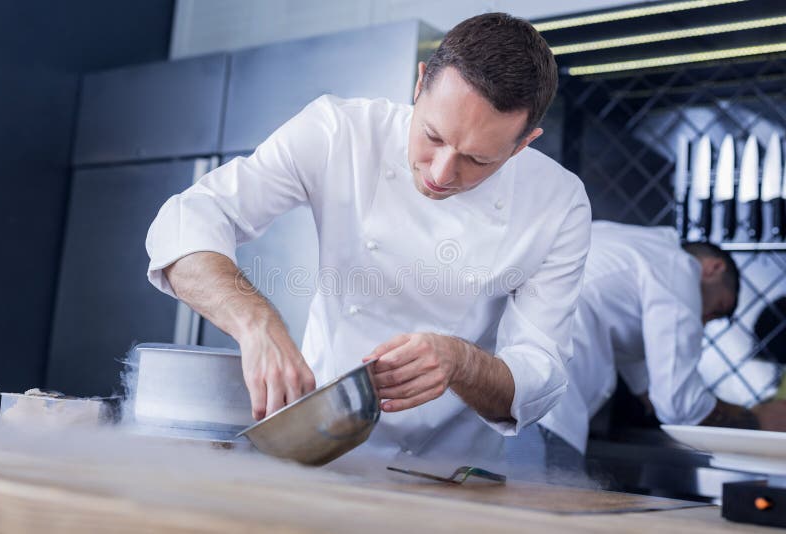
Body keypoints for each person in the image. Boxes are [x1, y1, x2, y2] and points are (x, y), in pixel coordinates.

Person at [145, 13, 591, 464]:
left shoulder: (558, 203)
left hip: (452, 476)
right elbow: (188, 219)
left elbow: (542, 373)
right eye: (432, 136)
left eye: (478, 159)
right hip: (324, 449)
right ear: (419, 86)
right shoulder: (340, 133)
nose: (441, 173)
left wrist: (462, 361)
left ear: (522, 145)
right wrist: (255, 323)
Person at [538, 221, 786, 459]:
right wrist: (757, 421)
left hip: (516, 393)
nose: (703, 321)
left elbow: (646, 380)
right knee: (543, 496)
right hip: (545, 410)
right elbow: (678, 404)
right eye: (717, 309)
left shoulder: (632, 250)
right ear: (713, 268)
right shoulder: (679, 267)